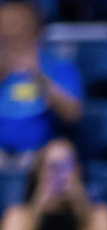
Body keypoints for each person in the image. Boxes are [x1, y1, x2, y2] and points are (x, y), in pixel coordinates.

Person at [0, 1, 82, 169]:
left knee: (59, 154)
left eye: (20, 25)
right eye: (6, 27)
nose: (13, 32)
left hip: (40, 155)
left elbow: (73, 114)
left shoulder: (58, 66)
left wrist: (37, 76)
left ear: (37, 29)